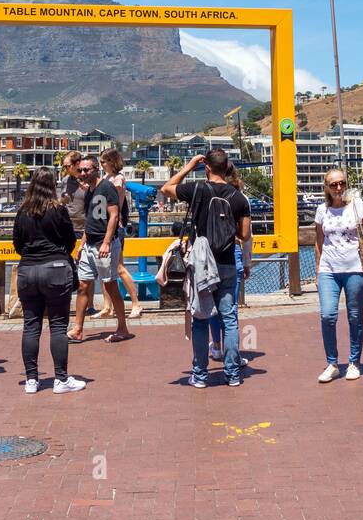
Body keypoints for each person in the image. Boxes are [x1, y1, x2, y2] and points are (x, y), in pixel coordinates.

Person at [162, 150, 251, 386]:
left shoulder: (197, 189)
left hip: (202, 264)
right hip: (227, 262)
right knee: (229, 319)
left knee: (200, 318)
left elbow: (166, 188)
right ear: (227, 167)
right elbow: (244, 234)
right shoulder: (239, 198)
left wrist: (189, 166)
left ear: (207, 168)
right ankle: (232, 374)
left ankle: (200, 375)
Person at [13, 169, 85, 393]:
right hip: (55, 269)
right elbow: (70, 240)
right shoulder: (58, 210)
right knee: (57, 325)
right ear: (52, 185)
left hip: (27, 271)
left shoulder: (22, 212)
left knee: (31, 325)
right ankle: (61, 379)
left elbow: (17, 245)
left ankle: (31, 380)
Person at [314, 169, 363, 383]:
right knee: (327, 315)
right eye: (334, 184)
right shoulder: (321, 211)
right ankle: (332, 363)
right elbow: (319, 242)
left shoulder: (357, 205)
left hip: (355, 268)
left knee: (354, 317)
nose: (338, 188)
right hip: (329, 269)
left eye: (342, 183)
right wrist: (317, 270)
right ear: (326, 187)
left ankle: (354, 362)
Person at [67, 156, 133, 343]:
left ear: (96, 169)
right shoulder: (90, 192)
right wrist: (82, 244)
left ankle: (123, 327)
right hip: (89, 244)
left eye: (86, 170)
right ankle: (78, 328)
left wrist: (106, 242)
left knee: (110, 285)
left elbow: (113, 216)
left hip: (105, 244)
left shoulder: (107, 188)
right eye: (80, 170)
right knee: (83, 285)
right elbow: (90, 220)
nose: (82, 174)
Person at [95, 148, 143, 321]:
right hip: (104, 226)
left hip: (116, 227)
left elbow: (115, 202)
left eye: (104, 161)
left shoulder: (117, 179)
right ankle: (108, 307)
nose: (101, 165)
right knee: (104, 267)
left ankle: (136, 303)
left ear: (112, 162)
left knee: (118, 267)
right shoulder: (106, 179)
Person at [210, 163, 250, 360]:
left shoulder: (207, 195)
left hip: (209, 256)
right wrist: (247, 262)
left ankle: (216, 345)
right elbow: (246, 236)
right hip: (233, 253)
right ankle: (232, 355)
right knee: (230, 309)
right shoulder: (240, 198)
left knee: (211, 307)